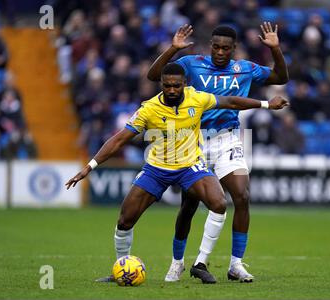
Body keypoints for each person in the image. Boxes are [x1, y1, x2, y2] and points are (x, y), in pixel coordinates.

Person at [65, 63, 289, 283]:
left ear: (184, 84)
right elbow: (119, 139)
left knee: (219, 203)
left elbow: (230, 101)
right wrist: (89, 166)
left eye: (176, 86)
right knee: (125, 220)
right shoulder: (149, 108)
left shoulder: (197, 98)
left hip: (190, 167)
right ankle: (122, 268)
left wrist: (266, 104)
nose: (172, 90)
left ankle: (199, 263)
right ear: (161, 84)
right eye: (167, 86)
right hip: (156, 169)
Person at [147, 23, 288, 283]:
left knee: (242, 196)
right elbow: (153, 74)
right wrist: (172, 49)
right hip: (194, 140)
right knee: (188, 205)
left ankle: (235, 265)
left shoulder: (244, 69)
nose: (220, 52)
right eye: (216, 47)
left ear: (234, 49)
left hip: (227, 139)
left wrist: (276, 49)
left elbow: (281, 78)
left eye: (226, 48)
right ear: (210, 46)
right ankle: (177, 262)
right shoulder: (192, 63)